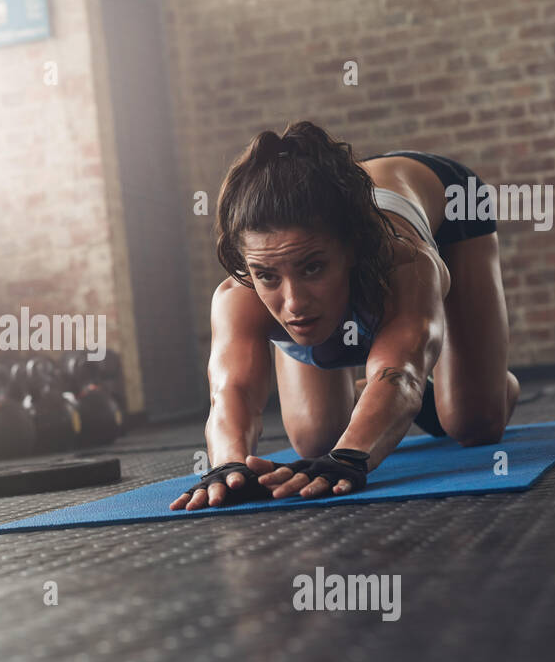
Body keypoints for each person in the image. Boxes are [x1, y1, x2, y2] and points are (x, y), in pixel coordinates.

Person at [171, 121, 520, 510]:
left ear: (354, 249)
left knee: (473, 423)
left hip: (449, 205)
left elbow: (401, 371)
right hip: (350, 246)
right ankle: (373, 389)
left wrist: (351, 458)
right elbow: (230, 390)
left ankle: (484, 378)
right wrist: (228, 467)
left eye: (313, 268)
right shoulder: (239, 293)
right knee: (316, 440)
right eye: (268, 276)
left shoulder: (405, 263)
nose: (295, 303)